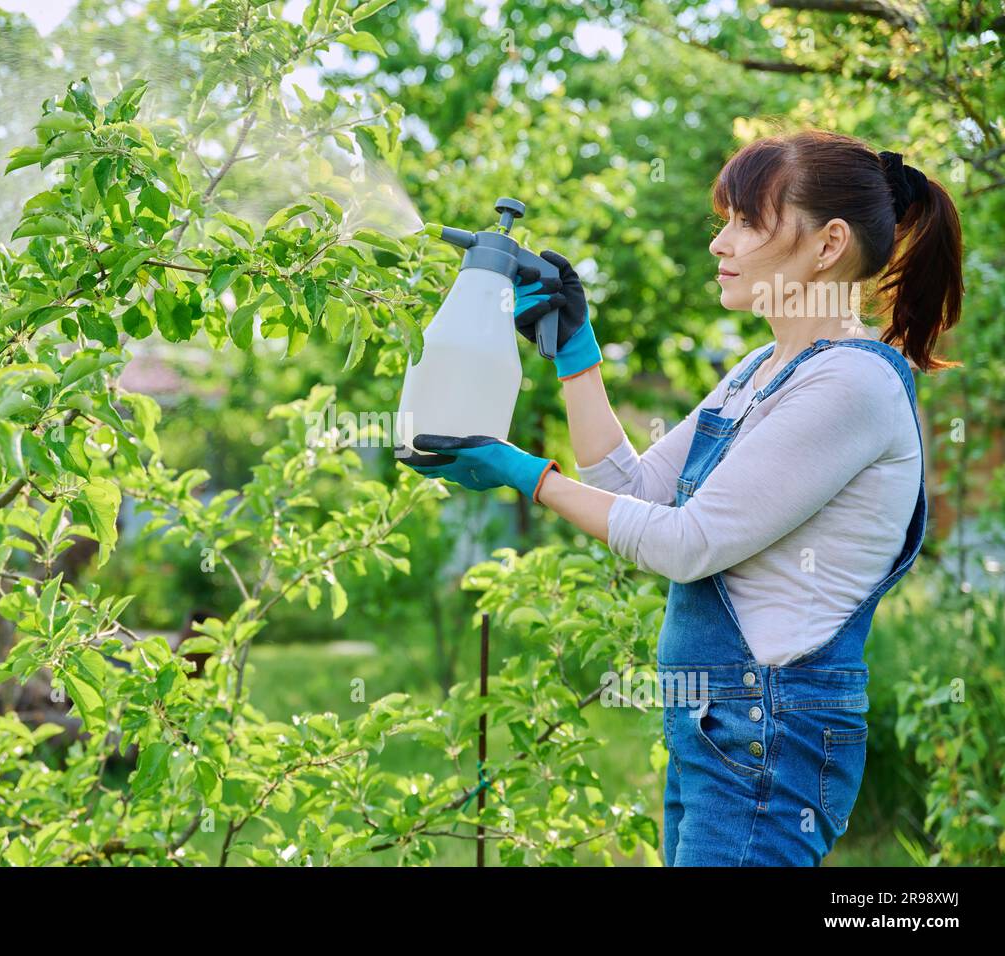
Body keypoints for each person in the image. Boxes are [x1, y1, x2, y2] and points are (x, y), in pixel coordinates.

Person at [402, 129, 964, 866]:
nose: (719, 245)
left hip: (768, 735)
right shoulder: (764, 368)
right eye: (723, 220)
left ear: (827, 245)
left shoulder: (851, 385)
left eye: (746, 221)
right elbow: (633, 490)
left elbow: (685, 544)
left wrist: (523, 472)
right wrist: (577, 355)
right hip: (717, 728)